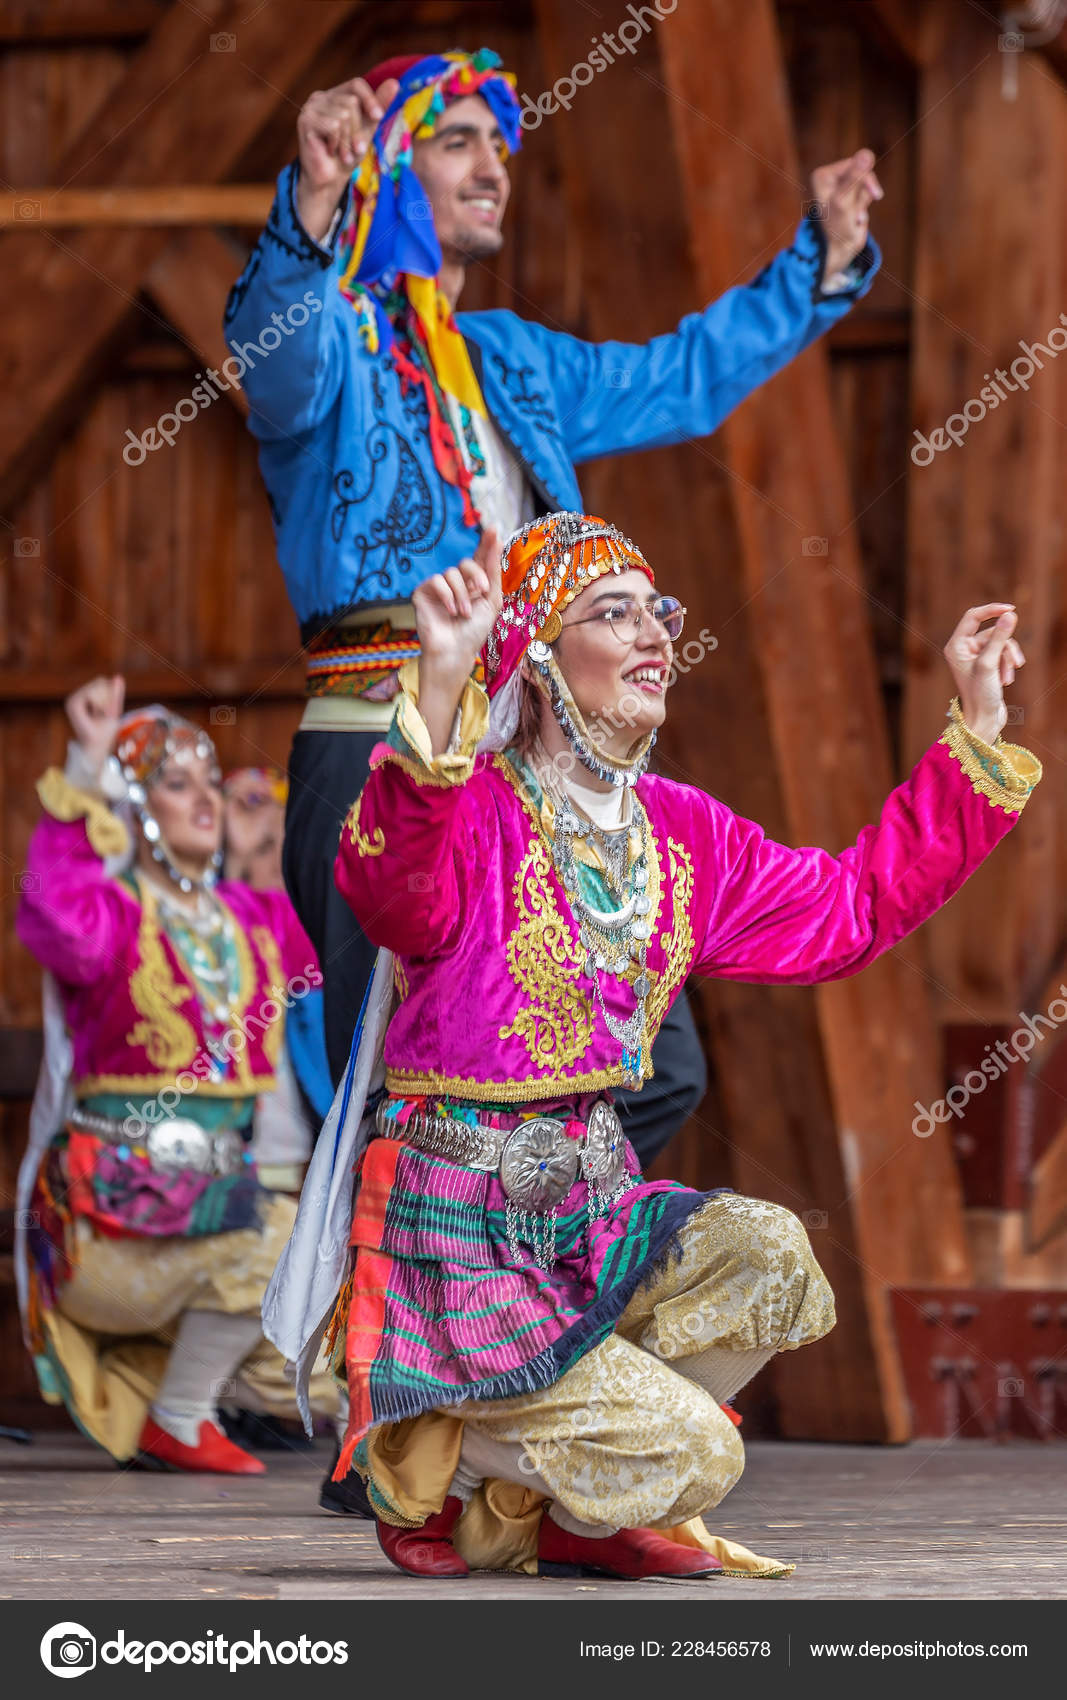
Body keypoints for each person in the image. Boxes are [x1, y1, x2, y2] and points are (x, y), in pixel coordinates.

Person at [266, 510, 1039, 1580]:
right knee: (699, 1448)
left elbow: (848, 908)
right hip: (456, 1242)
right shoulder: (472, 808)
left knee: (771, 1258)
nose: (655, 636)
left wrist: (977, 727)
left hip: (586, 1213)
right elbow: (389, 891)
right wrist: (438, 689)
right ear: (535, 658)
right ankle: (424, 1440)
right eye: (612, 613)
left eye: (659, 613)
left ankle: (577, 1506)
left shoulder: (678, 830)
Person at [223, 45, 884, 1171]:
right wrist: (312, 201)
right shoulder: (333, 336)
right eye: (457, 141)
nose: (493, 167)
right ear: (389, 166)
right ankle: (414, 1295)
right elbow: (269, 365)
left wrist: (814, 260)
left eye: (501, 146)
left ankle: (506, 1254)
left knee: (653, 1063)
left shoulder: (510, 361)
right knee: (391, 1079)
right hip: (382, 740)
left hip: (529, 764)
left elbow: (676, 378)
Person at [15, 679, 337, 1474]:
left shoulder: (254, 918)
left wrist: (292, 831)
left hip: (205, 1217)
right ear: (134, 808)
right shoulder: (111, 914)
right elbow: (52, 913)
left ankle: (186, 1389)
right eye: (175, 780)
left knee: (315, 1368)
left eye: (209, 779)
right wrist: (86, 766)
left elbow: (360, 944)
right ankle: (180, 1415)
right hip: (103, 1223)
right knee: (282, 1250)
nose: (204, 796)